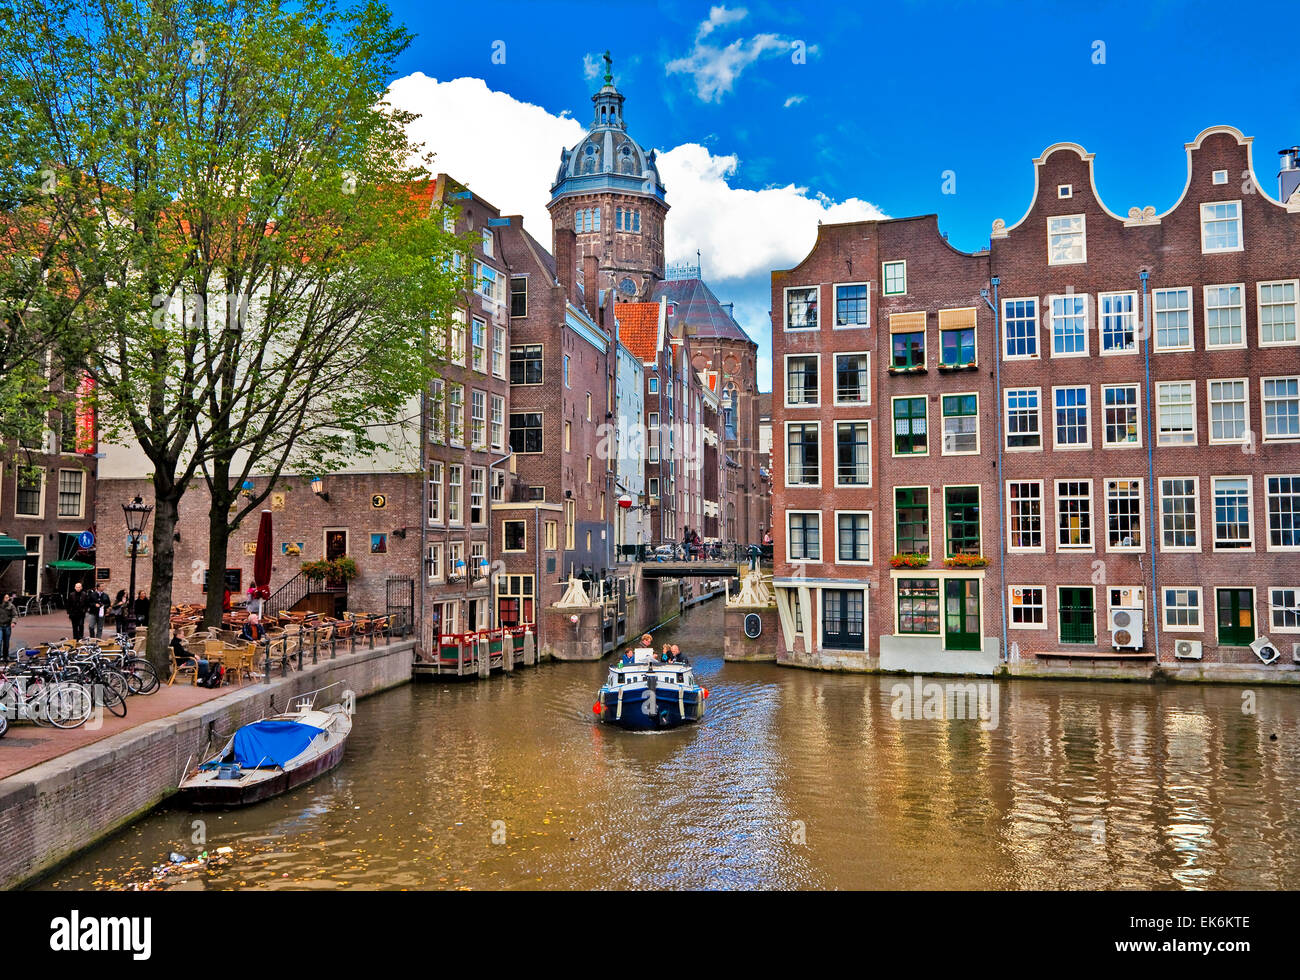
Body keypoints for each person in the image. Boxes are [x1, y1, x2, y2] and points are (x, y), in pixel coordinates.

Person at [0, 592, 18, 662]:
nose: (7, 598)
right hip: (0, 626)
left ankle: (6, 656)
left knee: (6, 642)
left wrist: (13, 622)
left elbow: (15, 615)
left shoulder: (11, 606)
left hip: (7, 626)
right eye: (6, 597)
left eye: (8, 597)